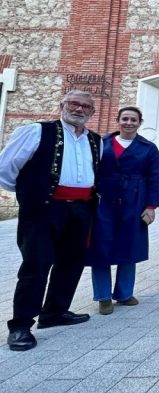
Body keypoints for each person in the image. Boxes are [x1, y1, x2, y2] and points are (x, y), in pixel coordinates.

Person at [0, 90, 101, 351]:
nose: (79, 109)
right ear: (62, 105)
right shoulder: (36, 131)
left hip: (81, 209)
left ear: (92, 112)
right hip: (45, 209)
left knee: (71, 262)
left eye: (85, 106)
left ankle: (54, 312)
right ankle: (21, 325)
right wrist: (31, 196)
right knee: (36, 265)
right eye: (74, 104)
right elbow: (6, 169)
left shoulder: (95, 140)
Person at [89, 106, 159, 315]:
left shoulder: (148, 148)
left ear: (139, 122)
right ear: (118, 120)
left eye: (133, 120)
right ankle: (103, 297)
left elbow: (156, 178)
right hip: (104, 202)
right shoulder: (101, 144)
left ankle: (124, 293)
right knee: (101, 248)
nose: (129, 123)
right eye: (125, 119)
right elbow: (90, 170)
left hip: (135, 202)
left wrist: (151, 206)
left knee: (129, 247)